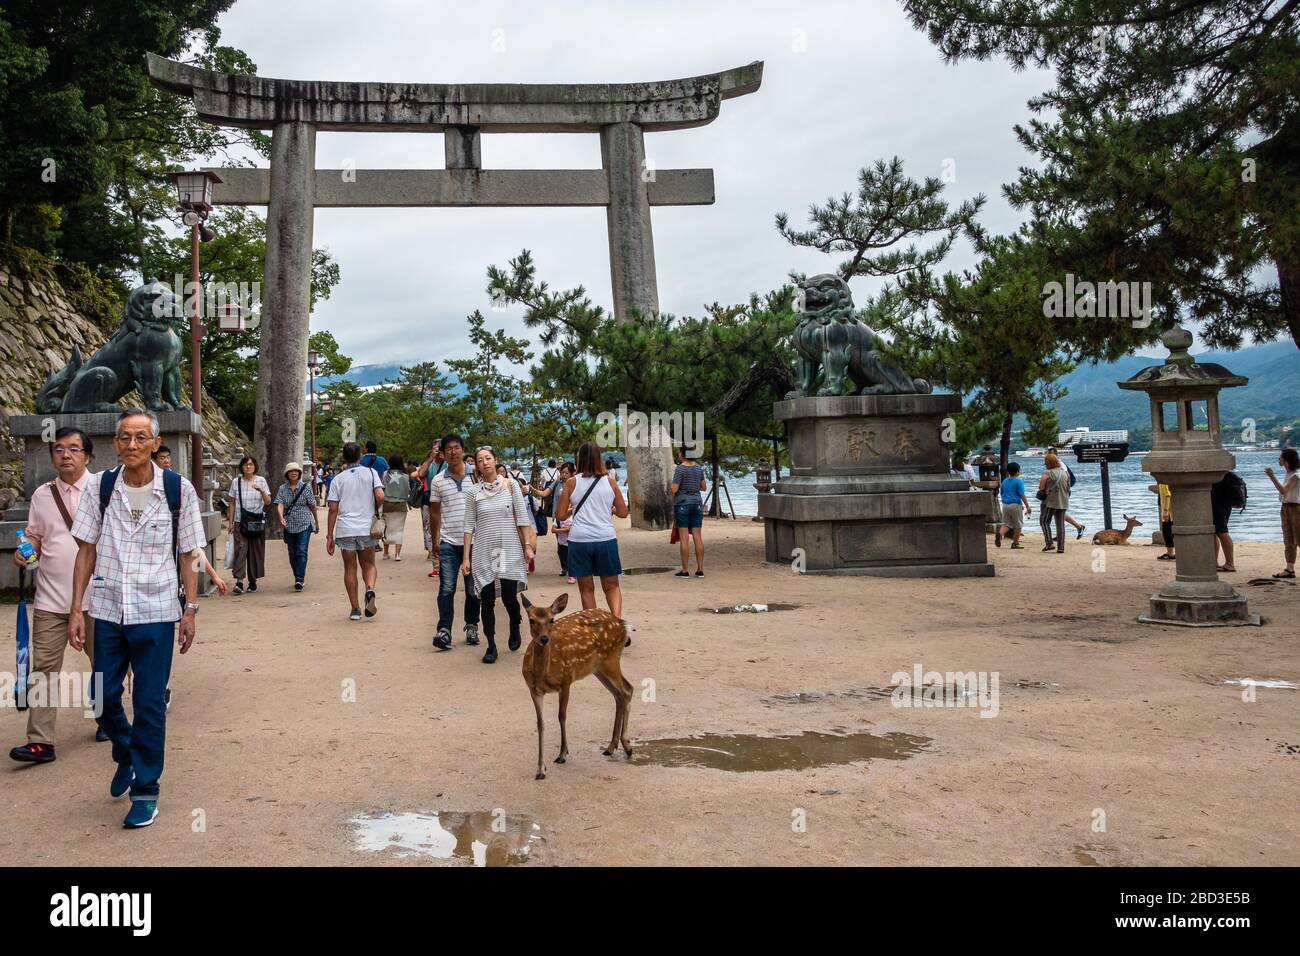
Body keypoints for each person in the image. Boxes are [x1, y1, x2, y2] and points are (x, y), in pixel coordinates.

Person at [68, 408, 206, 829]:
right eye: (124, 437)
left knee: (148, 702)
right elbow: (86, 550)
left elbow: (189, 555)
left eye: (140, 437)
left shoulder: (178, 491)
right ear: (116, 441)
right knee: (102, 696)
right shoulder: (100, 488)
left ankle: (146, 789)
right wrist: (77, 608)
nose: (131, 445)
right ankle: (126, 753)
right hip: (108, 607)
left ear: (154, 443)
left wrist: (190, 609)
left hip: (157, 609)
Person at [8, 427, 99, 763]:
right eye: (59, 449)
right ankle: (40, 741)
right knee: (44, 667)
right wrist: (25, 550)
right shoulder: (43, 495)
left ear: (87, 455)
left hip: (97, 597)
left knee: (104, 664)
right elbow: (35, 536)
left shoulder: (102, 489)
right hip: (50, 598)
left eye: (74, 449)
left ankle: (106, 717)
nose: (65, 455)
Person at [463, 446, 533, 664]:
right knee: (487, 599)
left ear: (495, 460)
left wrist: (528, 545)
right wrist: (466, 558)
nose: (484, 463)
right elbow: (468, 526)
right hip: (484, 550)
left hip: (508, 549)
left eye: (488, 458)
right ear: (476, 465)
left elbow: (522, 519)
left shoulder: (511, 486)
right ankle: (491, 645)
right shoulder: (473, 492)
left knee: (510, 597)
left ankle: (515, 622)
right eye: (480, 460)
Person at [556, 443, 629, 633]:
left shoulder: (572, 482)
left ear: (580, 459)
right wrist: (608, 509)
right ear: (599, 458)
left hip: (580, 540)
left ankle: (596, 629)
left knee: (587, 589)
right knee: (612, 586)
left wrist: (574, 508)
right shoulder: (610, 482)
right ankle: (616, 623)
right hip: (605, 538)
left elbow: (561, 514)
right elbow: (623, 512)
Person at [429, 435, 482, 649]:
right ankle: (444, 631)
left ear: (463, 450)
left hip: (475, 541)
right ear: (443, 453)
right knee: (446, 588)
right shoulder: (438, 480)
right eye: (449, 449)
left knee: (472, 589)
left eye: (457, 448)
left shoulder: (476, 477)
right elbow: (434, 513)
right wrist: (435, 541)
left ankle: (471, 627)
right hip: (449, 541)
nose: (453, 452)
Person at [227, 455, 271, 594]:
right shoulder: (236, 482)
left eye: (251, 464)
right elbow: (232, 503)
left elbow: (268, 501)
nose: (248, 467)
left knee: (254, 550)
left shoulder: (261, 480)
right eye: (246, 464)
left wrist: (262, 491)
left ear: (255, 466)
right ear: (241, 467)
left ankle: (253, 580)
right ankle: (239, 581)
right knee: (240, 550)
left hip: (256, 520)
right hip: (241, 520)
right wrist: (231, 522)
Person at [274, 461, 318, 591]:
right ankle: (297, 575)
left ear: (299, 474)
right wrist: (281, 518)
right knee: (292, 553)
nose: (293, 473)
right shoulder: (283, 488)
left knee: (301, 550)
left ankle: (299, 579)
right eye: (291, 471)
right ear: (287, 474)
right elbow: (280, 504)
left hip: (304, 522)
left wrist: (316, 522)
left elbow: (312, 506)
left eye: (296, 471)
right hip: (289, 524)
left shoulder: (306, 487)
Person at [671, 447, 708, 576]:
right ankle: (700, 569)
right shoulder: (698, 468)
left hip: (682, 504)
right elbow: (704, 487)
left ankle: (685, 570)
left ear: (682, 454)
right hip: (697, 503)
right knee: (698, 536)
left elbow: (674, 489)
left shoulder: (680, 469)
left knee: (684, 537)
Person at [1265, 447, 1300, 579]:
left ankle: (1290, 569)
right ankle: (1289, 569)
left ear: (1285, 460)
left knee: (1298, 538)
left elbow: (1284, 491)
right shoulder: (1289, 474)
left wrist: (1272, 476)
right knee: (1288, 540)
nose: (1278, 459)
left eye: (1280, 457)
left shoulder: (1296, 475)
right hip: (1285, 508)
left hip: (1295, 509)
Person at [1044, 446, 1086, 541]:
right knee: (1058, 513)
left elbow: (1066, 476)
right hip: (1059, 491)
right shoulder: (1052, 465)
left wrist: (1065, 490)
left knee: (1059, 512)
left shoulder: (1060, 464)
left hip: (1062, 491)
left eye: (1052, 454)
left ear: (1056, 454)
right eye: (1049, 454)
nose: (1050, 456)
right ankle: (1068, 531)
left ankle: (1078, 527)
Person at [380, 453, 412, 561]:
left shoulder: (385, 474)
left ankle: (385, 553)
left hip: (387, 503)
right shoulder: (406, 476)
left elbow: (382, 489)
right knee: (399, 529)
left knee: (387, 529)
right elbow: (408, 490)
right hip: (401, 505)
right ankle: (397, 554)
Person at [1038, 452, 1071, 553]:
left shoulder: (1047, 473)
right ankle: (1061, 548)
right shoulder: (1065, 473)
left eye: (1045, 462)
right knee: (1060, 524)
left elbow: (1041, 488)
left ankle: (1049, 543)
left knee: (1044, 521)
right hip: (1063, 501)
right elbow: (1068, 487)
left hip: (1050, 502)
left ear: (1048, 463)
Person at [995, 461, 1030, 549]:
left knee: (1007, 524)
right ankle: (1015, 543)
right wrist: (1027, 506)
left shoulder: (1005, 481)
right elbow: (1022, 494)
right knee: (1018, 524)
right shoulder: (1019, 481)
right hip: (1015, 504)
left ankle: (1000, 534)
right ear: (1018, 471)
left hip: (1005, 505)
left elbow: (1001, 492)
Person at [1209, 473, 1240, 572]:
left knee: (1222, 532)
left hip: (1219, 505)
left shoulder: (1220, 474)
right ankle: (1214, 562)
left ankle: (1230, 563)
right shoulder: (1225, 474)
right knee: (1214, 532)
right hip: (1222, 505)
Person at [1157, 483, 1175, 561]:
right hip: (1169, 510)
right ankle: (1170, 552)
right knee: (1168, 532)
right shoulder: (1163, 482)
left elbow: (1168, 495)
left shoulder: (1163, 482)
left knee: (1167, 532)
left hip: (1169, 511)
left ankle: (1170, 553)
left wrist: (1166, 510)